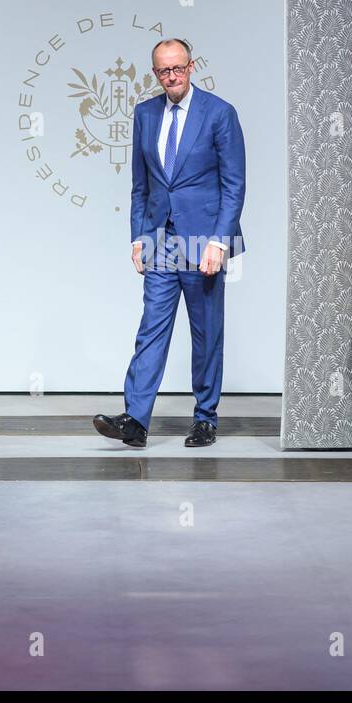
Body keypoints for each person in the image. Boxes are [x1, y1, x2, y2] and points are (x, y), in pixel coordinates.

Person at [93, 38, 246, 448]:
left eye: (178, 68)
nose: (172, 76)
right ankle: (136, 420)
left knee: (206, 331)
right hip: (160, 239)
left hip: (204, 241)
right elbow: (140, 186)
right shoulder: (145, 114)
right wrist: (139, 238)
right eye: (164, 71)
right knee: (151, 330)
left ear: (191, 67)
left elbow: (234, 185)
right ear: (155, 73)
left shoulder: (219, 113)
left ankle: (205, 418)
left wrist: (220, 241)